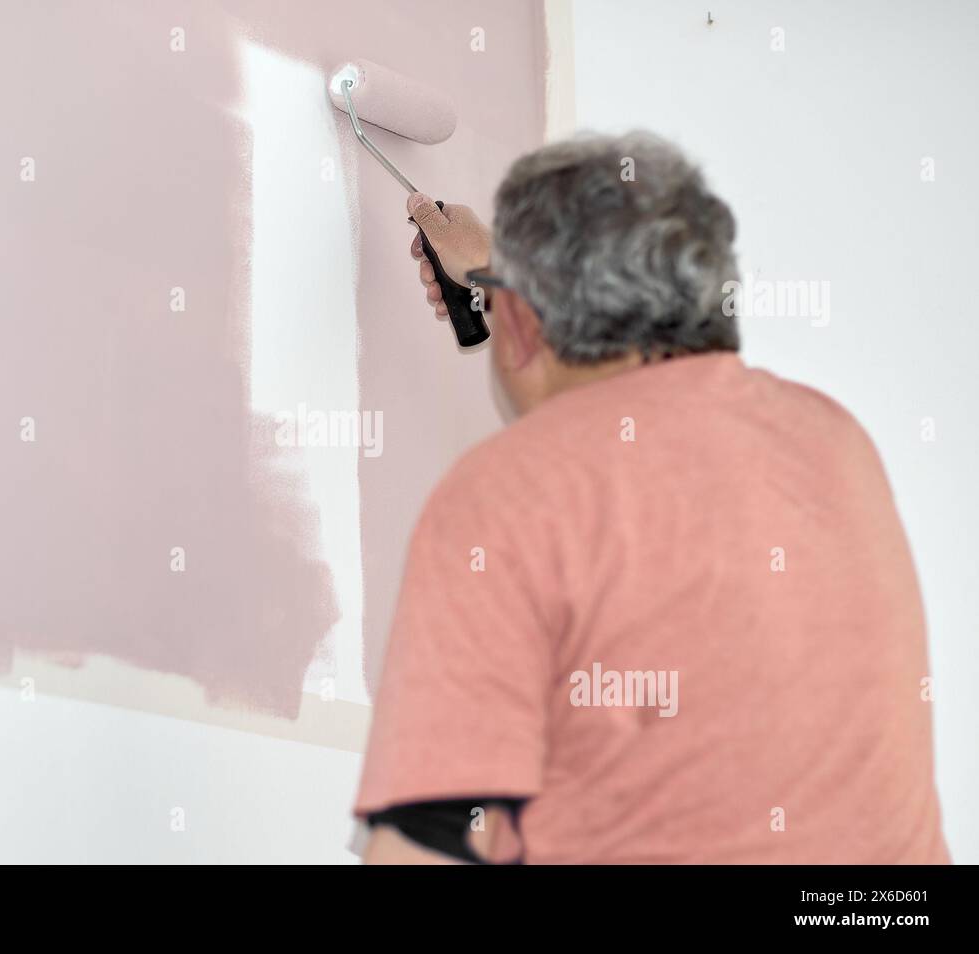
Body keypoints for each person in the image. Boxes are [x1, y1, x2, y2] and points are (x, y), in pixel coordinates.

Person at [355, 132, 950, 865]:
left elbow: (422, 852)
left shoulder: (501, 495)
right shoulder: (835, 445)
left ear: (516, 325)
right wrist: (503, 282)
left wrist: (510, 291)